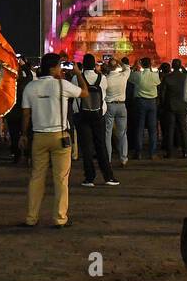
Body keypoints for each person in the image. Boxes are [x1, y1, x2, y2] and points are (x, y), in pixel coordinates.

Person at [19, 52, 89, 227]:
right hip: (60, 137)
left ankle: (31, 217)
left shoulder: (30, 87)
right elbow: (85, 93)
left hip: (39, 136)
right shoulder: (62, 85)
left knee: (36, 178)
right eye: (59, 65)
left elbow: (26, 114)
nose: (60, 69)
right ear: (53, 68)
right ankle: (59, 218)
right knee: (61, 179)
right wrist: (79, 74)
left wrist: (24, 135)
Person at [73, 54, 118, 187]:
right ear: (94, 65)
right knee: (101, 146)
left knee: (86, 148)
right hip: (98, 116)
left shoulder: (76, 78)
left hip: (82, 116)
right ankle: (108, 176)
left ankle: (89, 178)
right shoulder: (102, 78)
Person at [102, 56, 131, 166]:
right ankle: (123, 158)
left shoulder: (106, 79)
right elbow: (127, 67)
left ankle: (108, 159)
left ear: (109, 67)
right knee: (122, 133)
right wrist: (119, 61)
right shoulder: (123, 76)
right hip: (122, 106)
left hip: (109, 106)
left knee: (107, 133)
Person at [131, 57, 161, 159]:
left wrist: (135, 66)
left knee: (139, 128)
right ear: (150, 64)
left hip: (140, 102)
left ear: (141, 64)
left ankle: (138, 153)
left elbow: (130, 77)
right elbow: (158, 83)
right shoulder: (155, 75)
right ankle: (152, 153)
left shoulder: (137, 75)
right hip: (152, 102)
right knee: (152, 129)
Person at [161, 59, 187, 158]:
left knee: (170, 130)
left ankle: (169, 152)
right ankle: (185, 151)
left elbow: (162, 94)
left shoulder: (167, 77)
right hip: (182, 105)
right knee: (183, 129)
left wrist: (163, 105)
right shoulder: (185, 77)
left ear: (172, 66)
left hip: (170, 106)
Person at [8, 56, 33, 164]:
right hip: (23, 113)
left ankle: (16, 156)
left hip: (12, 113)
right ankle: (27, 155)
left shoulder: (8, 84)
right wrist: (23, 65)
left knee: (14, 136)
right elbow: (30, 76)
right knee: (26, 134)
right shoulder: (23, 83)